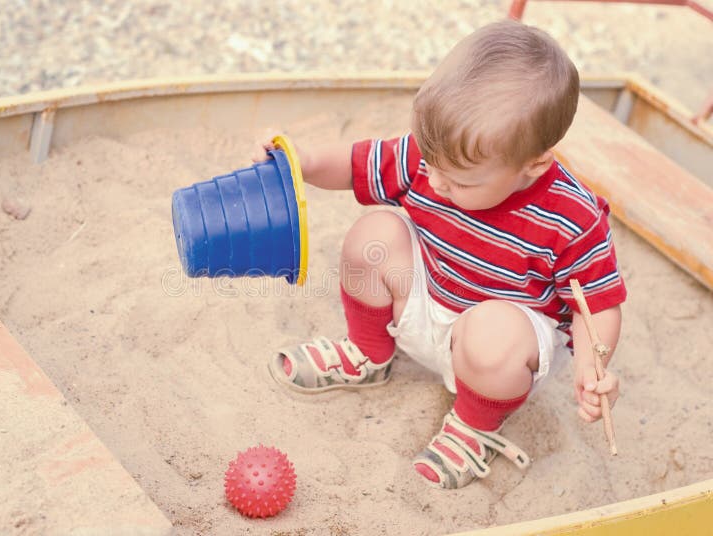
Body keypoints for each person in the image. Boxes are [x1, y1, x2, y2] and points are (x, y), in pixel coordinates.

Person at [253, 19, 626, 489]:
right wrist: (301, 161)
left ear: (534, 165)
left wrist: (595, 363)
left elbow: (598, 304)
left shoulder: (571, 214)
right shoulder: (435, 156)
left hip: (501, 343)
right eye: (431, 165)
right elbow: (352, 165)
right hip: (427, 300)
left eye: (462, 181)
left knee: (493, 334)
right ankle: (367, 353)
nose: (436, 183)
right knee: (374, 233)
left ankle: (474, 425)